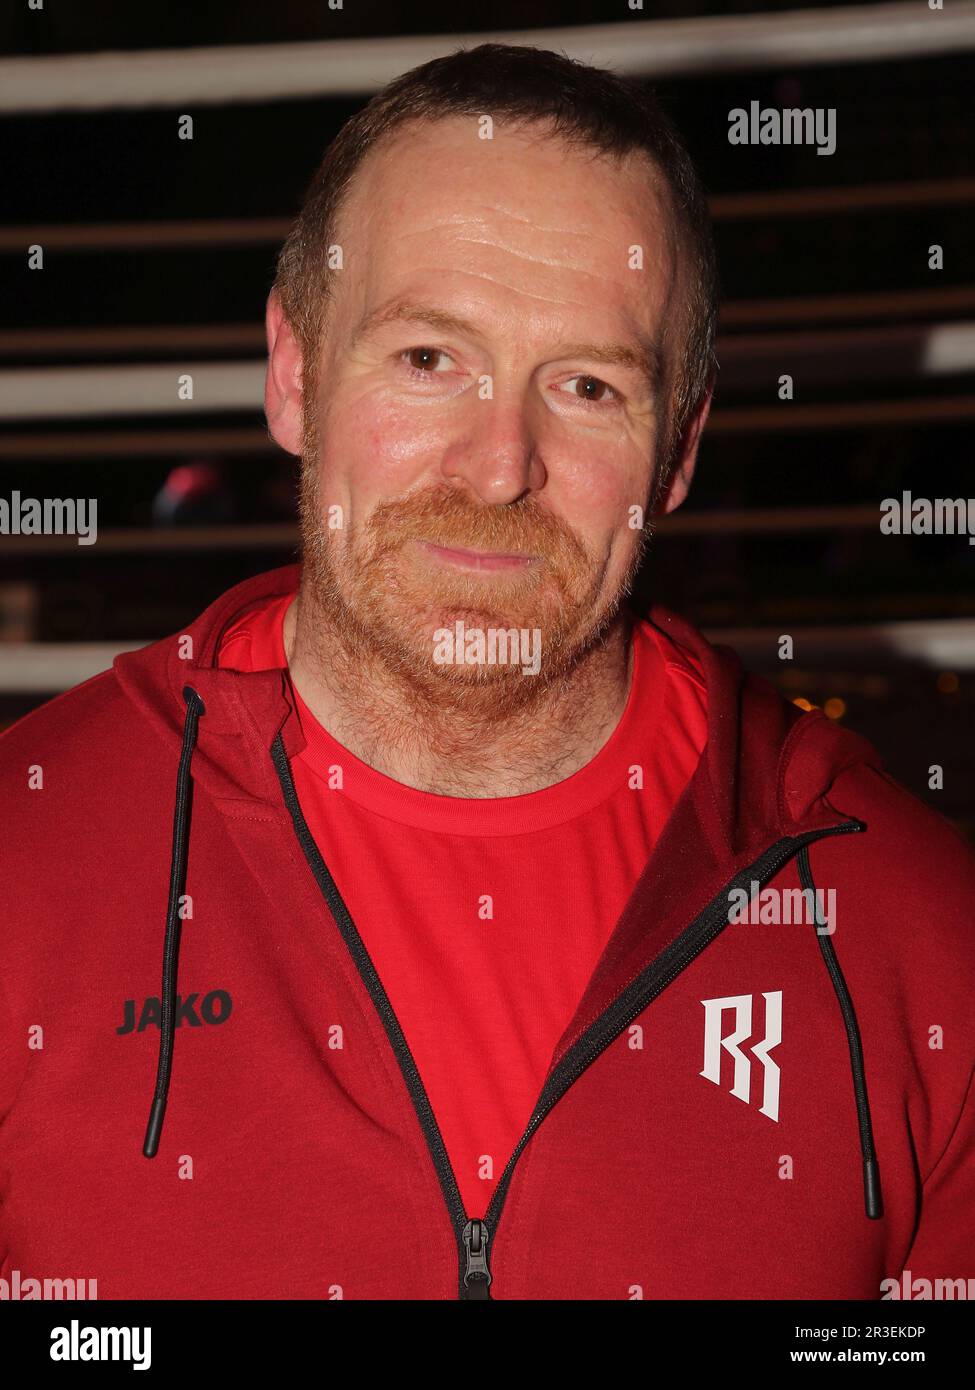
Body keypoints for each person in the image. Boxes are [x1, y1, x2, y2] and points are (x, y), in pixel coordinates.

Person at [2, 42, 973, 1302]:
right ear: (294, 376)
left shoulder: (918, 936)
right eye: (428, 360)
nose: (499, 462)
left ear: (677, 448)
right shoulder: (25, 864)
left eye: (584, 384)